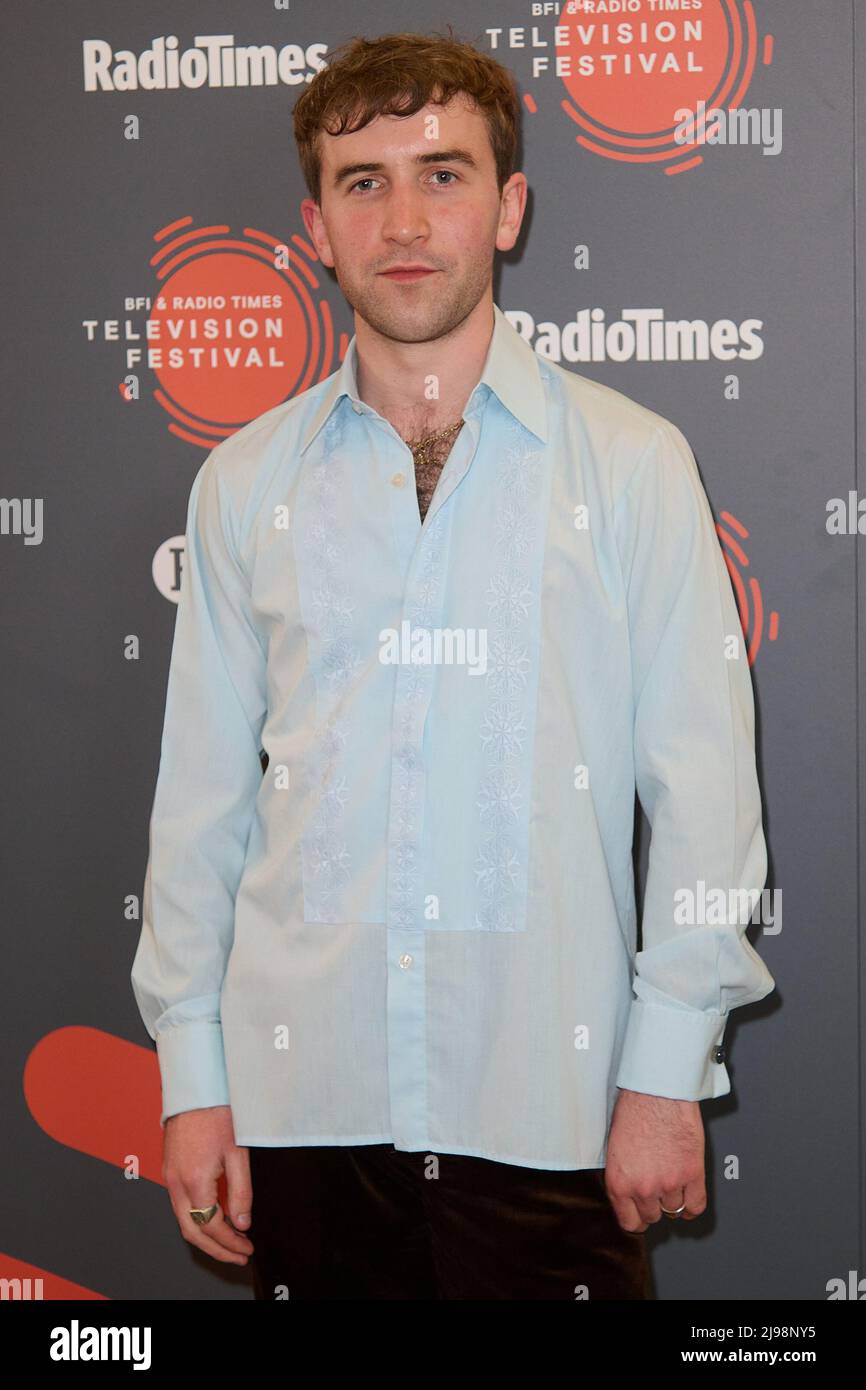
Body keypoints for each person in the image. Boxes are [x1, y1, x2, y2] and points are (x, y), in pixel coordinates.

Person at [131, 29, 776, 1301]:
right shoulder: (242, 484)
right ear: (316, 224)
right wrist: (194, 1079)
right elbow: (200, 805)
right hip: (299, 1114)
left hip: (550, 1110)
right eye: (362, 181)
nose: (404, 218)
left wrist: (660, 1074)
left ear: (510, 205)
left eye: (443, 172)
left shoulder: (631, 464)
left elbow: (704, 803)